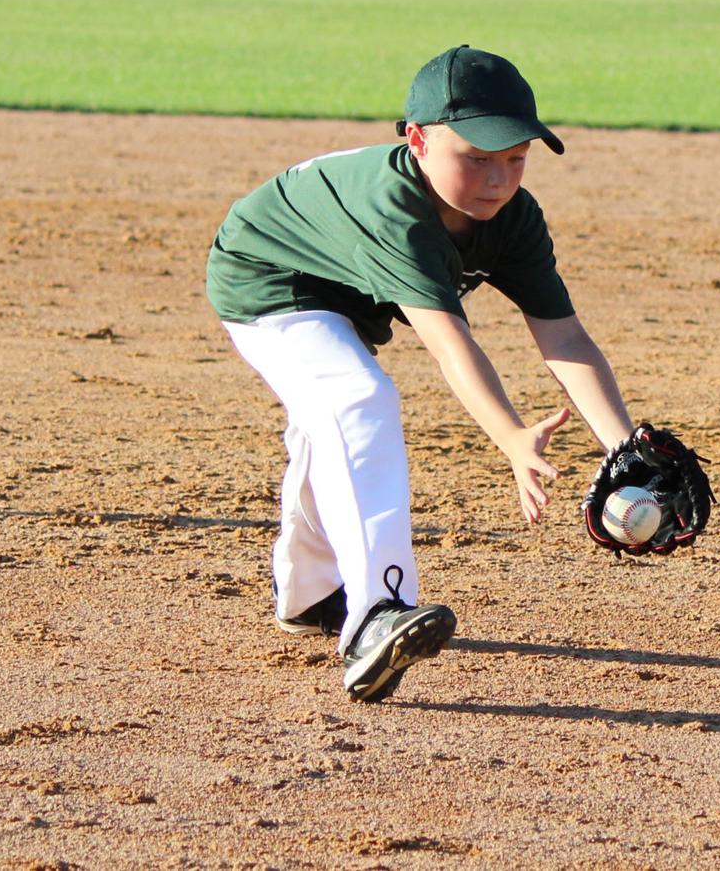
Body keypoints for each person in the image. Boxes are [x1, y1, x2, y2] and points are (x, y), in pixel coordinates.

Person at [206, 45, 634, 703]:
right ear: (417, 140)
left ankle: (308, 593)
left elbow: (563, 332)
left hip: (345, 288)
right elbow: (447, 340)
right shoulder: (398, 208)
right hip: (268, 280)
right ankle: (377, 615)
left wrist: (623, 447)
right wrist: (512, 438)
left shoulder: (514, 219)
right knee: (356, 397)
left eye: (516, 158)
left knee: (335, 423)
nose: (499, 179)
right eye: (477, 157)